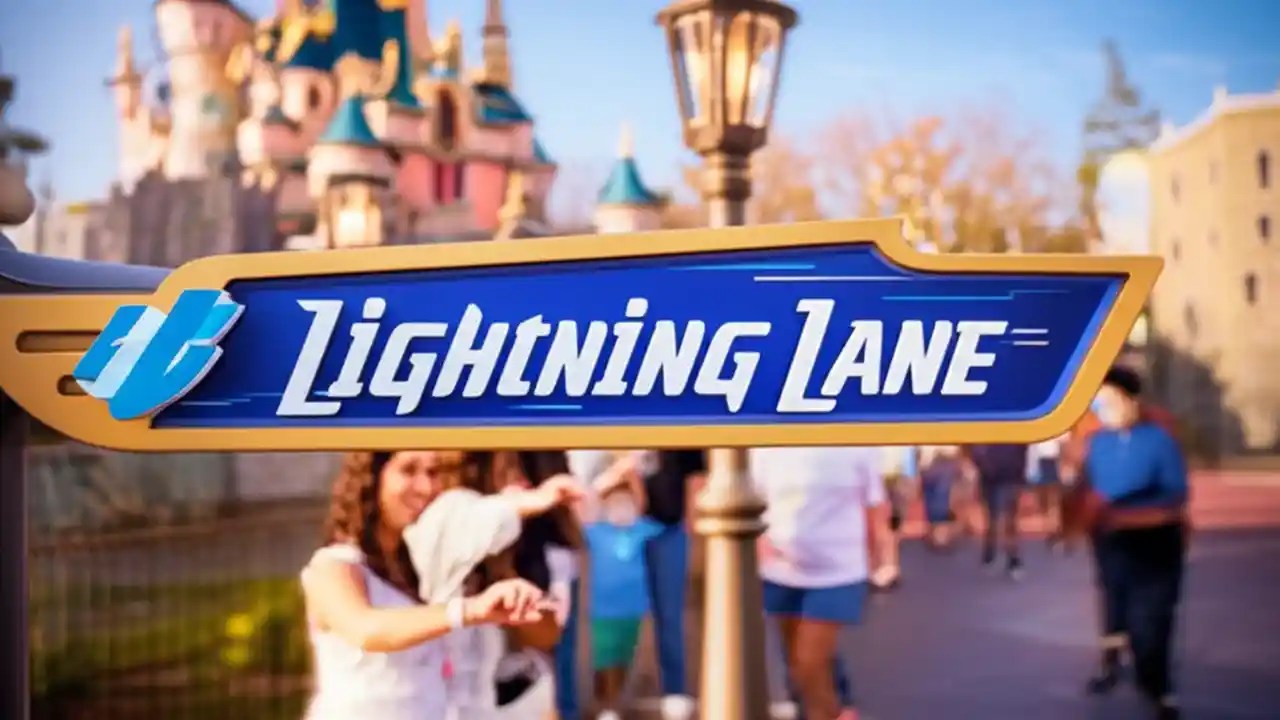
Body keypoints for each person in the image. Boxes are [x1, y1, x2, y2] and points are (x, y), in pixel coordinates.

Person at [299, 451, 573, 720]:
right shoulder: (334, 565)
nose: (426, 487)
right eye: (409, 470)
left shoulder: (431, 570)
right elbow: (366, 630)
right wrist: (467, 611)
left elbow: (544, 635)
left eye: (433, 472)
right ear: (372, 478)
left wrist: (516, 600)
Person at [1074, 368, 1189, 720]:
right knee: (1114, 600)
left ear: (1129, 400)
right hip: (1112, 537)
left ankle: (1160, 686)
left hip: (1155, 538)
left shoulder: (1158, 439)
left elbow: (1176, 488)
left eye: (1108, 401)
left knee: (1153, 619)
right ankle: (1115, 665)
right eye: (1098, 403)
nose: (1102, 409)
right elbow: (1087, 485)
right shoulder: (1097, 442)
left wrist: (1122, 495)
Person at [751, 446, 897, 720]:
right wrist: (761, 544)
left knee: (810, 663)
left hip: (838, 571)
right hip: (781, 569)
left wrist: (886, 555)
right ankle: (832, 710)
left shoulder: (856, 447)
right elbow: (755, 498)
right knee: (796, 665)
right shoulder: (767, 446)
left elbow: (875, 505)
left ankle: (831, 711)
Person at [584, 455, 665, 720]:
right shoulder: (596, 531)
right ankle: (604, 704)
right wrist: (612, 479)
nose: (622, 508)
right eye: (616, 502)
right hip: (602, 611)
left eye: (626, 502)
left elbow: (643, 505)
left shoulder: (640, 530)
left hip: (632, 609)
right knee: (602, 660)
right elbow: (587, 504)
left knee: (623, 659)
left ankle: (614, 704)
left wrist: (631, 476)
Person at [637, 450, 706, 720]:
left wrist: (694, 532)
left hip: (670, 528)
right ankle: (610, 696)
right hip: (622, 525)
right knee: (614, 613)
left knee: (670, 613)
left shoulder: (677, 419)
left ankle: (674, 690)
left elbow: (695, 477)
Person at [966, 443, 1030, 580]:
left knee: (1008, 520)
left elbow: (1023, 449)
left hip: (1009, 477)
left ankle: (1009, 558)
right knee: (994, 518)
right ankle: (992, 554)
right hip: (993, 478)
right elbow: (975, 451)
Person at [1026, 433, 1068, 551]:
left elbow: (1064, 443)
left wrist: (1063, 464)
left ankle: (1056, 533)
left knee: (1054, 501)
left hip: (1052, 460)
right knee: (1043, 501)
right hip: (1038, 462)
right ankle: (1051, 530)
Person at [919, 445, 964, 550]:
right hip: (928, 466)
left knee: (941, 499)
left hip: (943, 463)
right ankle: (937, 534)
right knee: (932, 501)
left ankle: (940, 535)